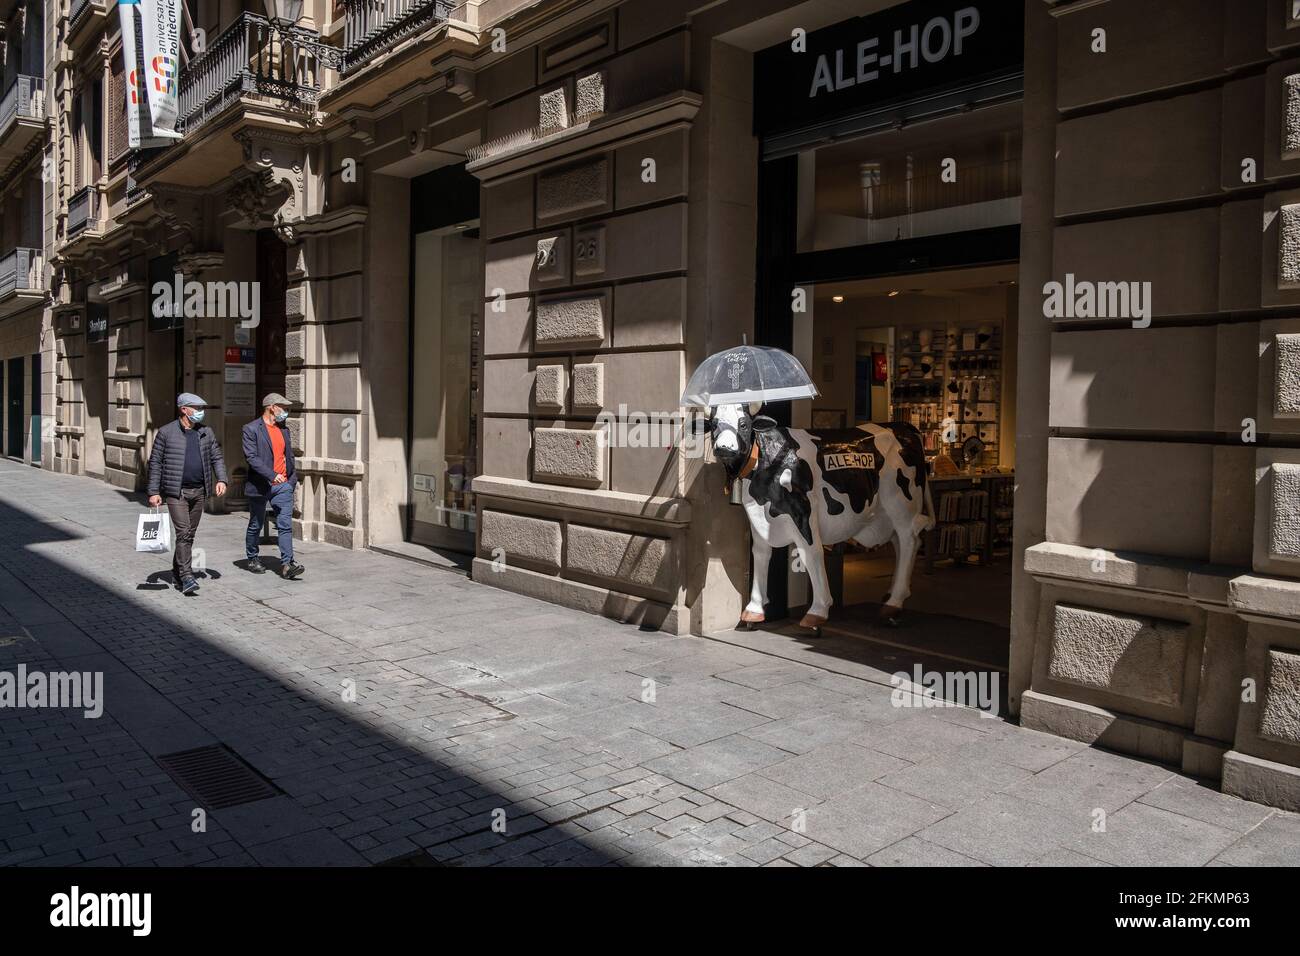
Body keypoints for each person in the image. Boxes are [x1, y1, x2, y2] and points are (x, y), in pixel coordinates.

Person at [146, 393, 228, 596]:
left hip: (199, 491)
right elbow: (155, 462)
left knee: (189, 535)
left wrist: (222, 479)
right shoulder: (166, 432)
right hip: (177, 492)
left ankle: (177, 572)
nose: (201, 412)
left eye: (202, 409)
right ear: (184, 409)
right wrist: (154, 491)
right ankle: (187, 576)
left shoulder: (205, 432)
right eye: (197, 408)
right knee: (183, 532)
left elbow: (216, 456)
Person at [243, 393, 304, 579]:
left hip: (283, 485)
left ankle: (287, 564)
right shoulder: (251, 429)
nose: (286, 411)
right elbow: (251, 457)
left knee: (285, 525)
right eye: (283, 408)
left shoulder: (283, 430)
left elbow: (289, 456)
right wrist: (272, 475)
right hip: (261, 485)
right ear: (271, 407)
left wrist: (290, 480)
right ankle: (253, 557)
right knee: (256, 523)